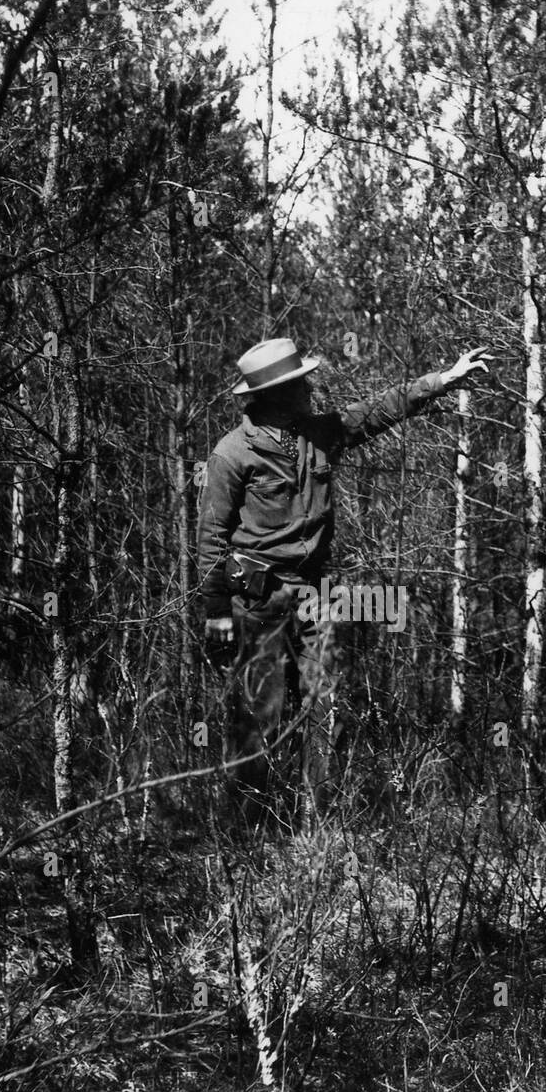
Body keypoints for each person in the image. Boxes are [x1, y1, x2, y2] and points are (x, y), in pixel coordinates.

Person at [197, 336, 491, 832]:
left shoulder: (318, 433)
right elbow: (210, 537)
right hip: (259, 600)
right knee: (258, 716)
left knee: (325, 703)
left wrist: (443, 380)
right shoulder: (231, 454)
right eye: (298, 383)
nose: (309, 388)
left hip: (317, 596)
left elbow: (378, 411)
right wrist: (217, 611)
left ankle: (320, 828)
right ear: (270, 394)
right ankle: (246, 838)